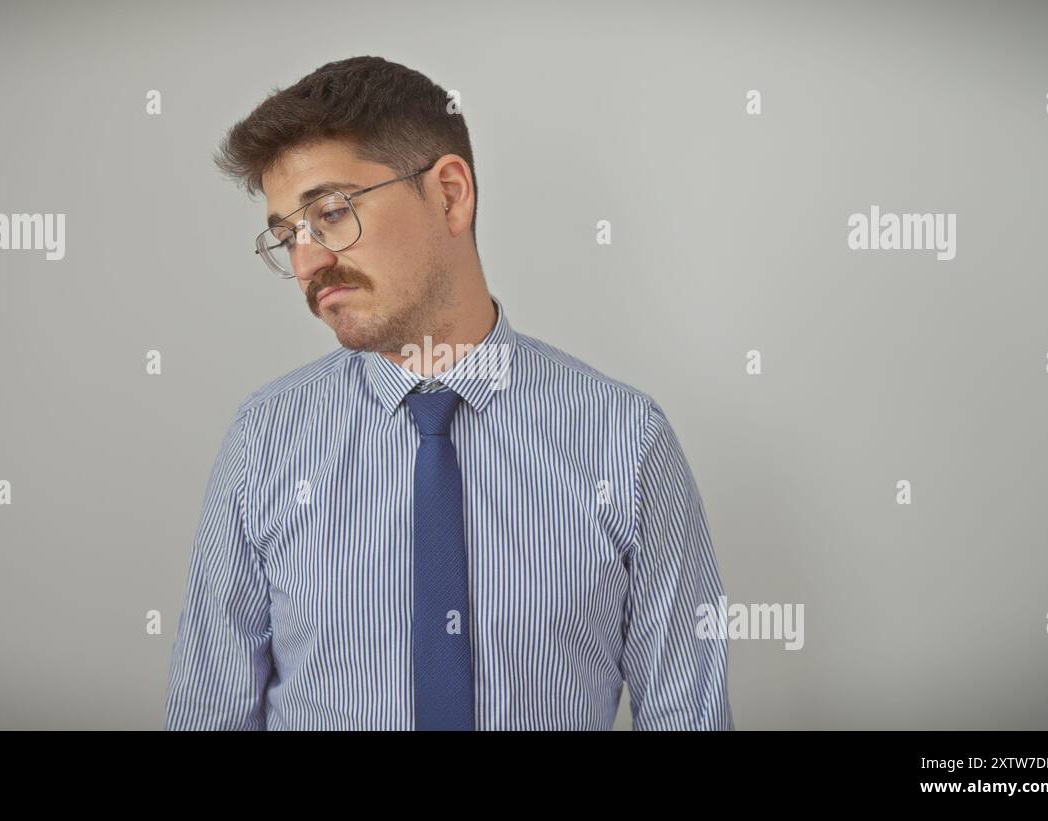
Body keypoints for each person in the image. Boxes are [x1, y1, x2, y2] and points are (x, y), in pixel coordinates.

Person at [164, 55, 733, 730]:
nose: (308, 261)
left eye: (332, 211)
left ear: (450, 194)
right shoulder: (263, 441)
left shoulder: (627, 440)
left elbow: (685, 715)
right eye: (288, 235)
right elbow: (211, 714)